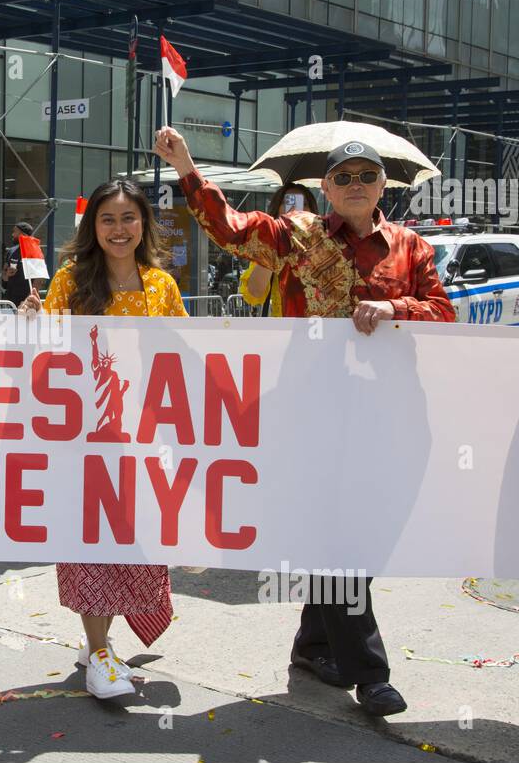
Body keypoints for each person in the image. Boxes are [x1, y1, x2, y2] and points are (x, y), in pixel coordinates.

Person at [154, 126, 455, 717]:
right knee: (337, 532)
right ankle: (369, 674)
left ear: (383, 184)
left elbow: (442, 311)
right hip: (314, 409)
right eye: (343, 176)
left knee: (361, 534)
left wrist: (394, 306)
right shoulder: (298, 235)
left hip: (388, 414)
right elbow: (230, 229)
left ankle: (315, 645)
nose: (356, 184)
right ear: (325, 186)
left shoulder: (411, 247)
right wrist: (188, 167)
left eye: (367, 175)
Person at [19, 179, 185, 699]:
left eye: (128, 218)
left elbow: (184, 356)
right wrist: (30, 324)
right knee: (91, 543)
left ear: (143, 225)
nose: (119, 229)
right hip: (84, 443)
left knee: (136, 546)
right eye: (108, 219)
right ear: (93, 226)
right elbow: (49, 357)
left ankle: (101, 644)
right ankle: (98, 653)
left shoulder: (162, 286)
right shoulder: (69, 281)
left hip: (143, 441)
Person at [239, 183, 318, 318]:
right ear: (276, 210)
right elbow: (255, 292)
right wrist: (275, 240)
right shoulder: (268, 245)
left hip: (321, 329)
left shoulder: (327, 243)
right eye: (288, 202)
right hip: (284, 332)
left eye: (303, 203)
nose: (296, 209)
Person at [1, 221, 36, 305]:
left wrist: (27, 301)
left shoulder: (34, 251)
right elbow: (4, 275)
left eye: (15, 232)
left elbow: (39, 280)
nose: (12, 234)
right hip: (9, 301)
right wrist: (7, 274)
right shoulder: (11, 251)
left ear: (23, 234)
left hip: (26, 301)